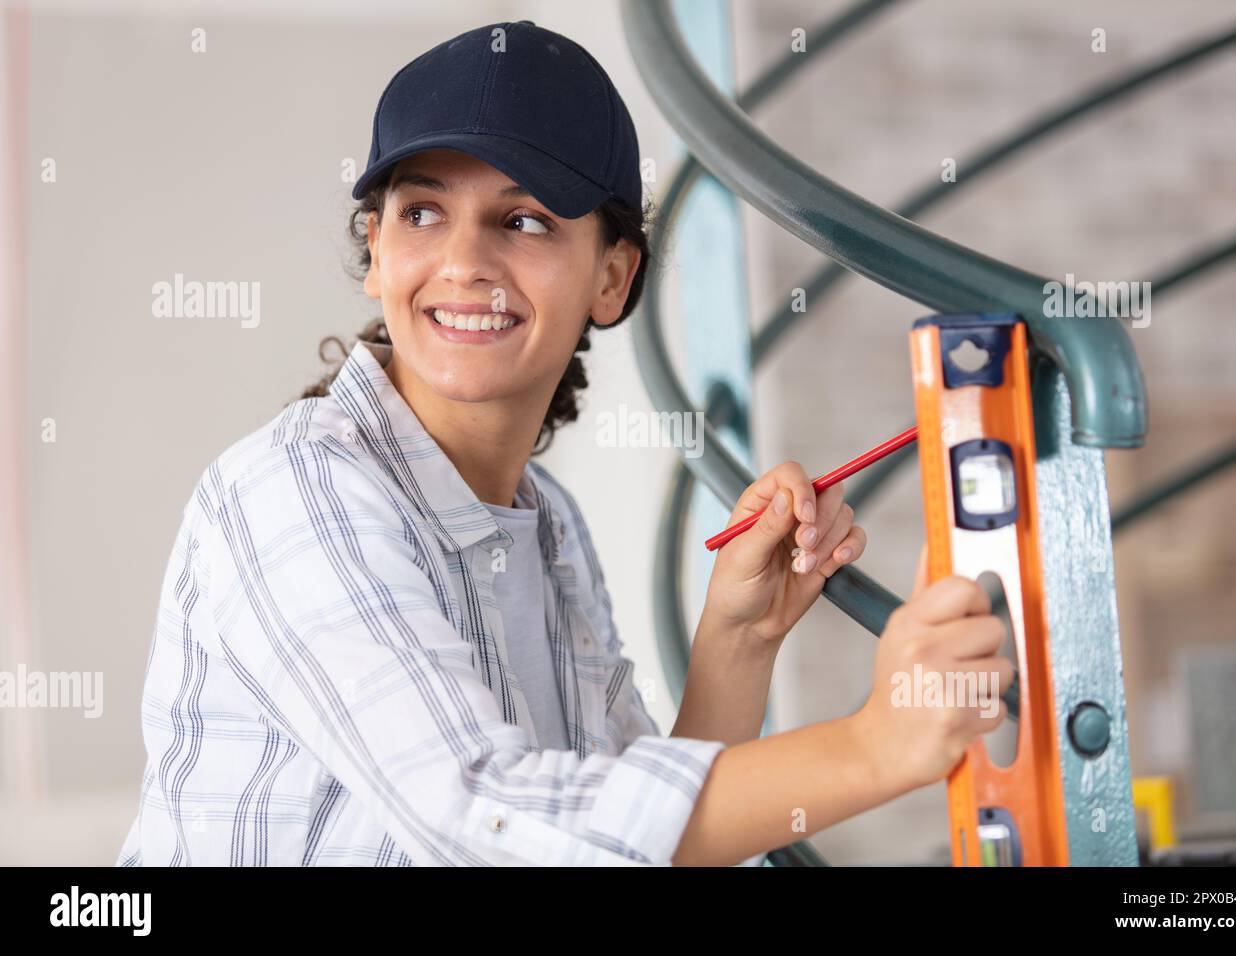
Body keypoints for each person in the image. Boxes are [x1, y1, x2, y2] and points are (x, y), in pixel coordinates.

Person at [116, 19, 1010, 867]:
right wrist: (875, 745)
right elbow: (487, 825)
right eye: (422, 213)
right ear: (378, 251)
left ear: (613, 277)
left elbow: (612, 839)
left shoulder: (549, 526)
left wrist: (737, 641)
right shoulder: (295, 489)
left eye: (524, 221)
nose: (463, 261)